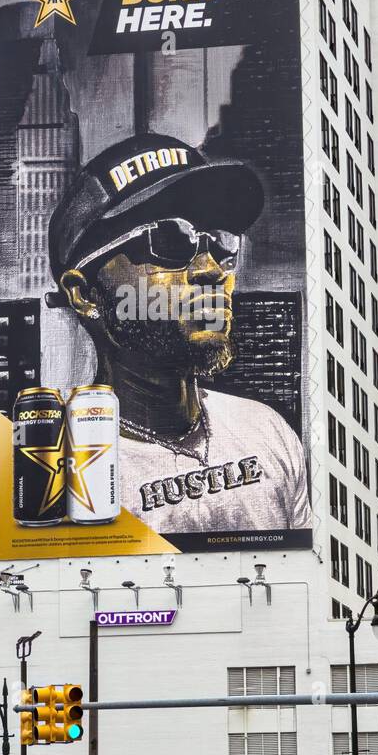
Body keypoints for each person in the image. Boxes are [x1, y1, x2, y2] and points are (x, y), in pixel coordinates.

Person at [47, 131, 311, 536]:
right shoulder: (54, 473)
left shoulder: (267, 431)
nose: (211, 269)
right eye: (171, 239)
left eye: (221, 242)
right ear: (84, 294)